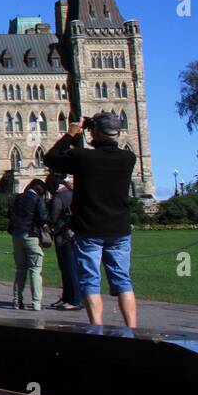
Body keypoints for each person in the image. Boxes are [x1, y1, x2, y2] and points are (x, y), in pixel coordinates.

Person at [44, 113, 138, 328]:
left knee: (90, 281)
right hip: (119, 229)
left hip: (90, 229)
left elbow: (50, 158)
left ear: (94, 132)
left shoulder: (84, 158)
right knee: (123, 281)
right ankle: (132, 330)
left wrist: (72, 132)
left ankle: (96, 328)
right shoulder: (128, 159)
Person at [9, 178, 49, 310]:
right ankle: (36, 303)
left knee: (20, 270)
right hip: (32, 236)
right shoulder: (38, 199)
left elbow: (10, 214)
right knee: (35, 270)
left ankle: (16, 300)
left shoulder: (17, 198)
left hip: (17, 236)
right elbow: (43, 218)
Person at [47, 177, 81, 311]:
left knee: (68, 268)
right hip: (75, 234)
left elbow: (54, 216)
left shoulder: (59, 197)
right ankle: (68, 297)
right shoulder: (74, 193)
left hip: (63, 236)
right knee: (72, 268)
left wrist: (49, 224)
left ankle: (75, 300)